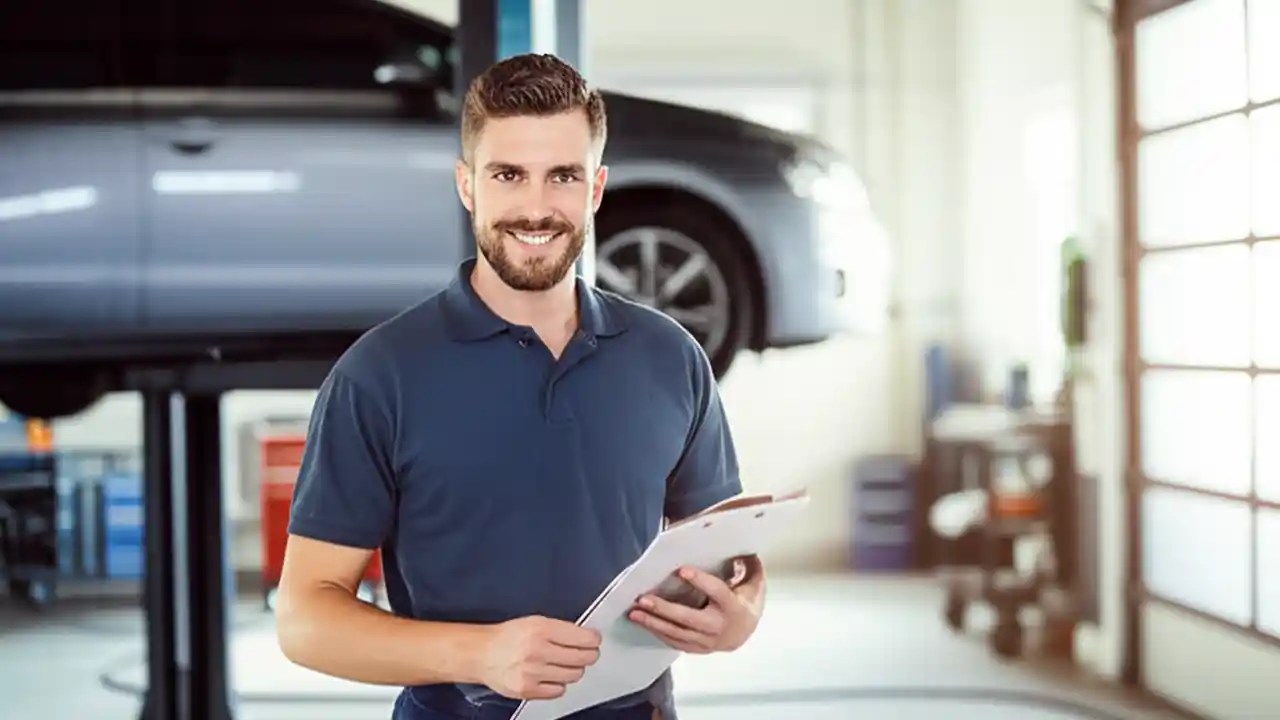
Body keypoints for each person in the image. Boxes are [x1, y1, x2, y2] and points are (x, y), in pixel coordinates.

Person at [274, 53, 766, 720]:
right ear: (467, 185)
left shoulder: (670, 358)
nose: (536, 208)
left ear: (595, 188)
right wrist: (475, 654)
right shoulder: (379, 374)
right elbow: (304, 618)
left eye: (562, 176)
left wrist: (740, 616)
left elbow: (729, 561)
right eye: (509, 175)